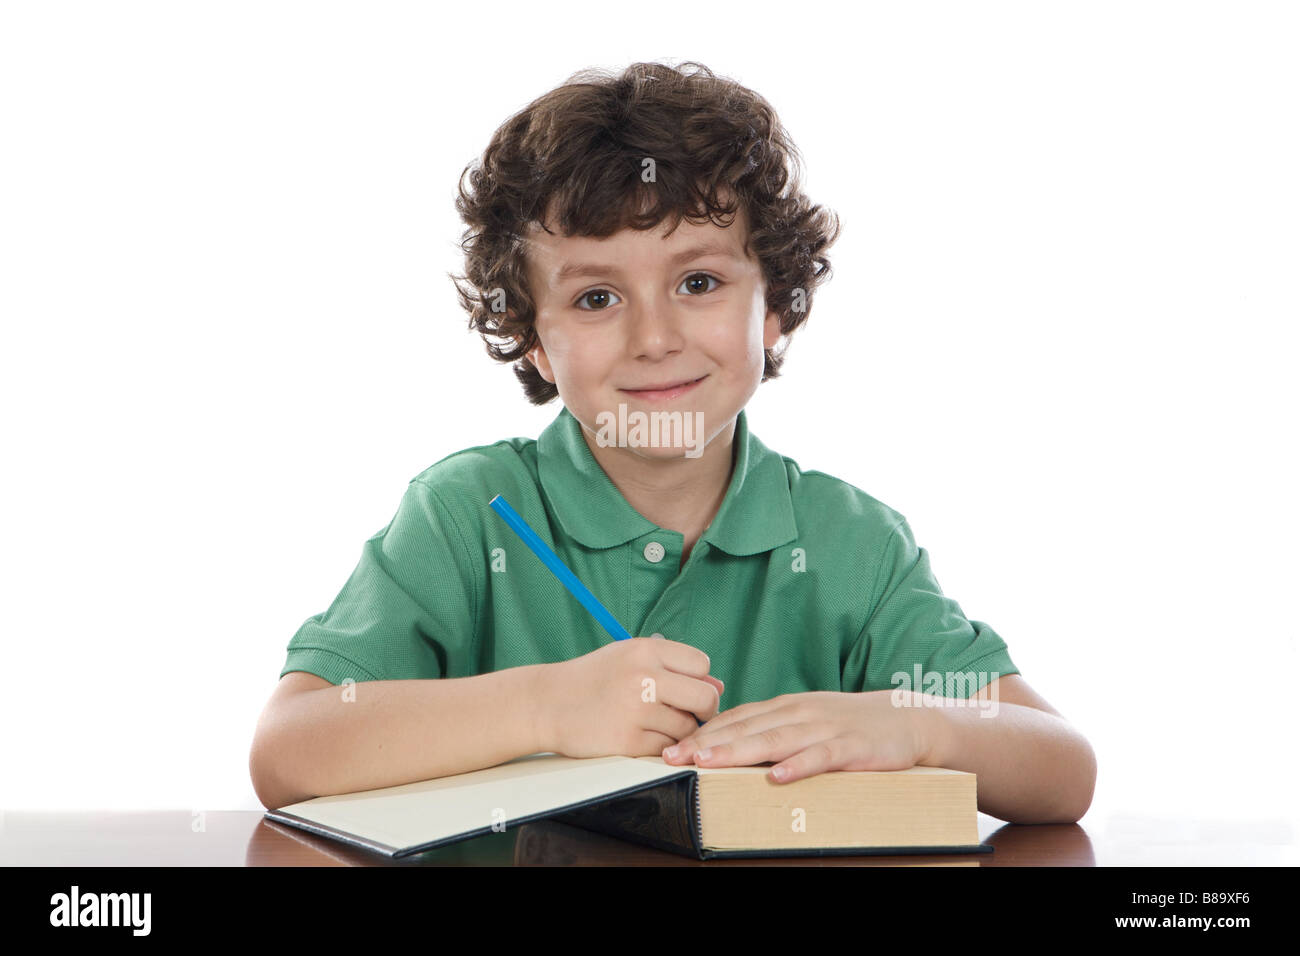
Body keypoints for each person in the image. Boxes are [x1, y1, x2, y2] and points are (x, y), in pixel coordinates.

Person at [250, 61, 1095, 824]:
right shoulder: (470, 514)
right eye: (595, 299)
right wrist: (546, 706)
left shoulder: (851, 543)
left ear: (773, 309)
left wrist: (916, 724)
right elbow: (290, 749)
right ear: (534, 339)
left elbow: (1062, 771)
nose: (654, 338)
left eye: (699, 282)